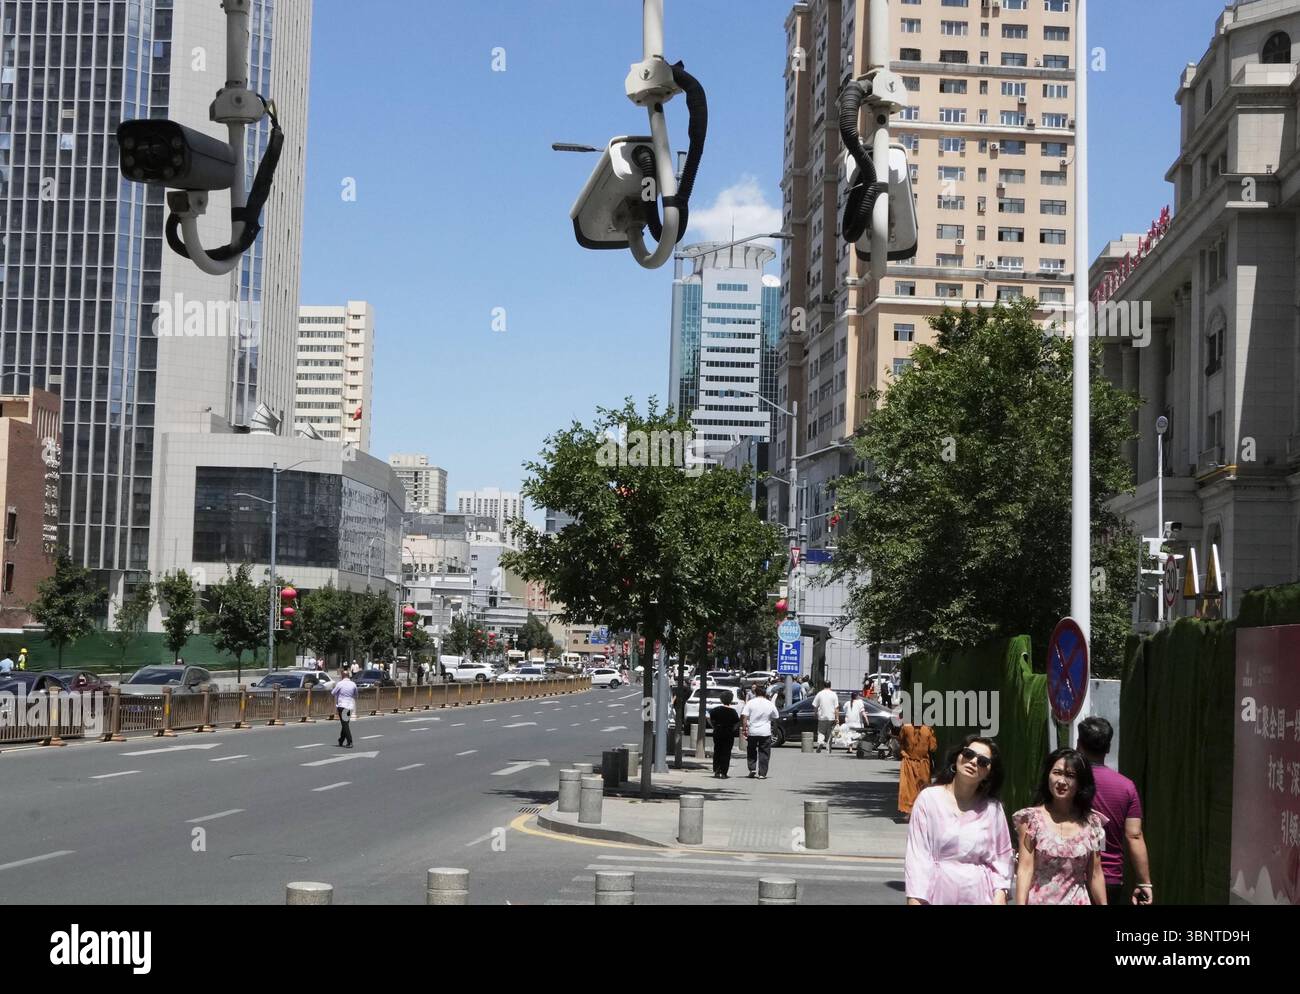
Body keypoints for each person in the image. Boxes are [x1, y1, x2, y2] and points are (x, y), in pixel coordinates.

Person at [905, 736, 1014, 905]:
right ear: (957, 756)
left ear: (989, 773)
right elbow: (917, 856)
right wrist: (914, 899)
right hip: (938, 893)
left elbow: (1002, 859)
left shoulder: (993, 809)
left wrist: (1001, 895)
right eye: (969, 754)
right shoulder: (929, 799)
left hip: (980, 895)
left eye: (983, 761)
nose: (973, 762)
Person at [1014, 749, 1108, 905]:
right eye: (1056, 772)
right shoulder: (1031, 820)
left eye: (1070, 776)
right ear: (1047, 775)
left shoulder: (1093, 823)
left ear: (1081, 782)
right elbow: (1025, 869)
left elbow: (1095, 874)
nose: (1061, 781)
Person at [1078, 716, 1154, 906]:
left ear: (1078, 745)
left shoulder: (1068, 782)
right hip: (1110, 879)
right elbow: (1134, 835)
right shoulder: (1127, 787)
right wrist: (1144, 882)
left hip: (1072, 876)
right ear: (1108, 748)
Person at [898, 721, 937, 820]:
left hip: (921, 763)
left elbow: (932, 748)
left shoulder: (926, 729)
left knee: (918, 788)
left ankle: (918, 812)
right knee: (911, 788)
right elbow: (932, 748)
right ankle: (911, 812)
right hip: (910, 762)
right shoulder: (908, 728)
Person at [741, 684, 780, 779]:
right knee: (764, 752)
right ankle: (762, 773)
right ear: (765, 693)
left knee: (751, 750)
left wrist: (744, 728)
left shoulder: (750, 703)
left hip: (753, 731)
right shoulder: (769, 703)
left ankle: (752, 768)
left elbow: (744, 716)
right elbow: (776, 717)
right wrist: (775, 729)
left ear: (756, 692)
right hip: (765, 732)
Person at [708, 690, 741, 778]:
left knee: (717, 751)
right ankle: (724, 772)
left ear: (721, 699)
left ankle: (716, 770)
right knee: (726, 752)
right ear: (730, 700)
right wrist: (733, 729)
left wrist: (713, 726)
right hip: (728, 732)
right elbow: (737, 722)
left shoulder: (716, 709)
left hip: (718, 731)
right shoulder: (732, 711)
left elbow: (708, 717)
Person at [331, 668, 357, 748]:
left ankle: (350, 741)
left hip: (342, 705)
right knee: (345, 724)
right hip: (350, 706)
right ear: (349, 676)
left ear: (342, 676)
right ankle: (341, 740)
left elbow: (333, 693)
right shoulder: (353, 684)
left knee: (345, 724)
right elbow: (356, 695)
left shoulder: (340, 684)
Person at [811, 680, 839, 754]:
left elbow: (815, 705)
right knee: (829, 734)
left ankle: (820, 743)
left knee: (821, 732)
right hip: (831, 717)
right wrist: (837, 718)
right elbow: (836, 708)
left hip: (822, 717)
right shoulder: (834, 694)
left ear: (824, 685)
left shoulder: (820, 694)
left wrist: (815, 713)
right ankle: (828, 749)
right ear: (830, 685)